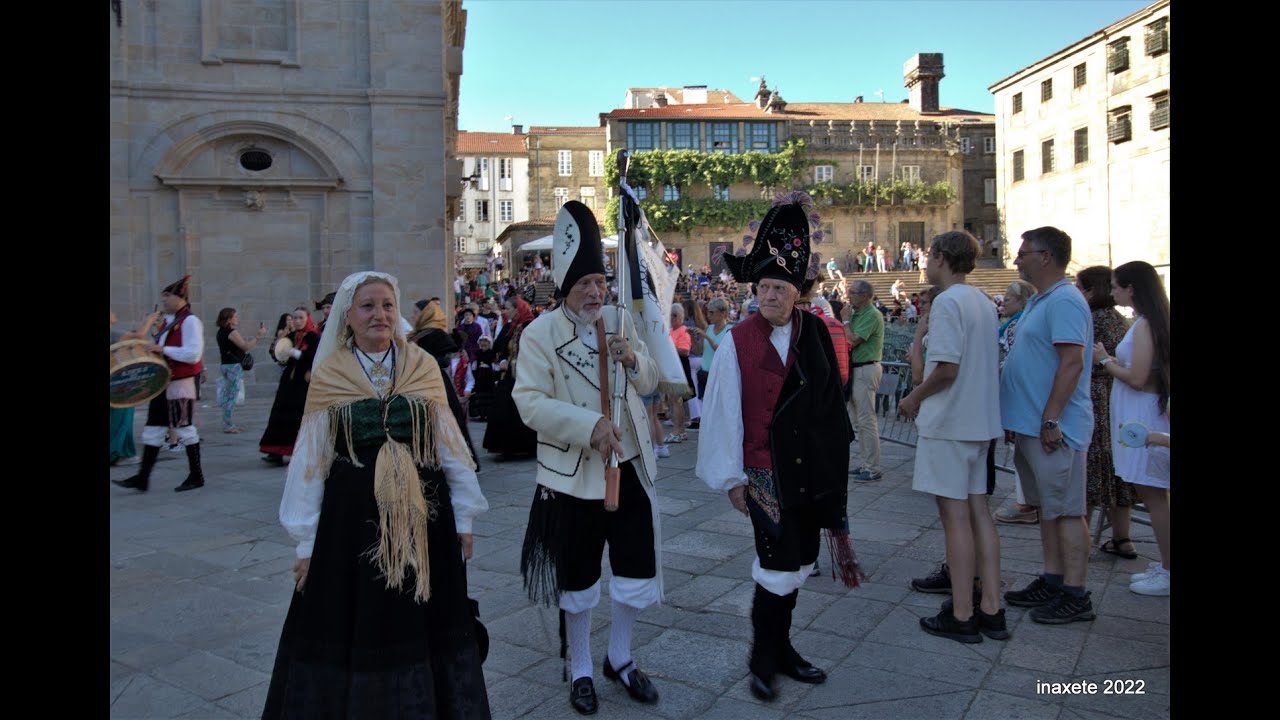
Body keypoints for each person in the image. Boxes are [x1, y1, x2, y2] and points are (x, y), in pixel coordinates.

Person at [264, 271, 491, 718]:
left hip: (426, 521)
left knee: (425, 618)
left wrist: (464, 517)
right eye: (367, 306)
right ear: (347, 318)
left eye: (387, 305)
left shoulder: (422, 366)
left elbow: (451, 447)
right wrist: (306, 542)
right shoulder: (331, 374)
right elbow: (310, 463)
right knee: (359, 622)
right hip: (349, 530)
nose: (379, 314)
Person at [699, 192, 862, 703]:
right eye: (764, 286)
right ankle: (763, 659)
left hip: (810, 473)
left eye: (780, 288)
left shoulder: (815, 330)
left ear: (797, 293)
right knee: (774, 565)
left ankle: (784, 649)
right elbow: (723, 412)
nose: (770, 295)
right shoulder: (736, 341)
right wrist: (731, 479)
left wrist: (837, 469)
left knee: (797, 564)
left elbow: (833, 404)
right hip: (763, 475)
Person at [514, 201, 663, 715]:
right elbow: (528, 402)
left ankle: (620, 658)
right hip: (573, 477)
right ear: (565, 289)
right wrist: (589, 426)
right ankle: (579, 666)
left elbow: (649, 382)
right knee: (578, 579)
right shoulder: (538, 334)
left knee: (634, 570)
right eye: (585, 286)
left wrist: (633, 357)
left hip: (630, 468)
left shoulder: (621, 318)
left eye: (601, 282)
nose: (596, 292)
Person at [898, 232, 1007, 643]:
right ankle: (992, 607)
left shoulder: (946, 302)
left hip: (950, 422)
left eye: (930, 256)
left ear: (941, 257)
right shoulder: (981, 300)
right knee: (980, 513)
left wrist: (912, 398)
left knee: (955, 519)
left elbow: (945, 369)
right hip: (979, 421)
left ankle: (962, 612)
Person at [1000, 226, 1097, 625]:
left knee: (1068, 510)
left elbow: (1071, 362)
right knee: (1048, 509)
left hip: (1054, 428)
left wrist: (1052, 417)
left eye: (1023, 252)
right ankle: (1053, 578)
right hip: (1032, 426)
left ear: (1045, 257)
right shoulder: (1043, 300)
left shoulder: (1066, 301)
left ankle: (1075, 592)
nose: (1017, 258)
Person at [1092, 261, 1171, 596]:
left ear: (1132, 288)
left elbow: (1138, 378)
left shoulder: (1144, 325)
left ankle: (1168, 570)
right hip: (1144, 413)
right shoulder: (1149, 322)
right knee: (1154, 497)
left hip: (1143, 416)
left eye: (1116, 286)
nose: (1112, 292)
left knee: (1155, 498)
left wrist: (1105, 360)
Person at [113, 274, 207, 493]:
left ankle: (197, 476)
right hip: (163, 384)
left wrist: (162, 349)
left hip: (180, 385)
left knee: (184, 428)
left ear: (180, 297)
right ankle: (142, 478)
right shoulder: (169, 322)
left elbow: (194, 354)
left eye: (167, 297)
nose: (163, 301)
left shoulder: (190, 321)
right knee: (153, 429)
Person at [1074, 267, 1138, 559]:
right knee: (1117, 471)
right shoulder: (1119, 320)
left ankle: (1079, 539)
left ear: (1090, 290)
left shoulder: (1090, 320)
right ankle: (1122, 538)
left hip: (1096, 398)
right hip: (1118, 399)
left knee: (1089, 470)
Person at [993, 280, 1041, 525]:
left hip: (1019, 396)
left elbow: (1010, 359)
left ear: (1021, 300)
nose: (1004, 303)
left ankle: (1028, 503)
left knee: (1021, 451)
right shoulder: (1016, 323)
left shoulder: (1015, 326)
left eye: (1008, 299)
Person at [408, 299, 480, 463]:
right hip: (418, 384)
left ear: (426, 314)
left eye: (416, 313)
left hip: (435, 385)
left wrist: (423, 363)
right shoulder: (417, 334)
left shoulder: (435, 334)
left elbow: (445, 359)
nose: (412, 316)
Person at [259, 307, 321, 466]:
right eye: (295, 318)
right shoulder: (291, 336)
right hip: (288, 382)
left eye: (301, 317)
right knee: (279, 414)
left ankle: (299, 451)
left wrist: (296, 353)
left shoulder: (314, 337)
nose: (297, 321)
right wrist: (278, 349)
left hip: (303, 383)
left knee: (297, 417)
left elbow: (315, 357)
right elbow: (279, 357)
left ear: (308, 318)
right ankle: (275, 452)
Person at [482, 295, 539, 460]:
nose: (505, 311)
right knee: (504, 407)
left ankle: (523, 447)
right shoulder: (511, 326)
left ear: (517, 308)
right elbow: (499, 347)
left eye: (508, 308)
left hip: (526, 374)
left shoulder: (530, 325)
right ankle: (507, 446)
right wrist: (503, 359)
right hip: (510, 375)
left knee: (518, 410)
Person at [844, 279, 884, 482]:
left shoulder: (872, 315)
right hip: (856, 369)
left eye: (852, 292)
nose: (848, 295)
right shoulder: (857, 314)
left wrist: (844, 321)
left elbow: (852, 339)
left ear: (866, 295)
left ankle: (873, 467)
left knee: (867, 420)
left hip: (866, 368)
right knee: (859, 421)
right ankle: (865, 463)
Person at [111, 309, 160, 466]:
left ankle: (123, 452)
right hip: (117, 384)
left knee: (118, 416)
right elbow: (139, 336)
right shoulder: (112, 333)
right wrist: (149, 320)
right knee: (121, 416)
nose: (114, 313)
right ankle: (117, 452)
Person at [214, 308, 267, 434]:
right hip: (233, 366)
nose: (237, 318)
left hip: (225, 365)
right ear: (229, 319)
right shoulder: (231, 332)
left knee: (228, 395)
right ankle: (228, 425)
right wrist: (258, 336)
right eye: (235, 316)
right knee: (232, 396)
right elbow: (245, 346)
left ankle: (227, 423)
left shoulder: (220, 332)